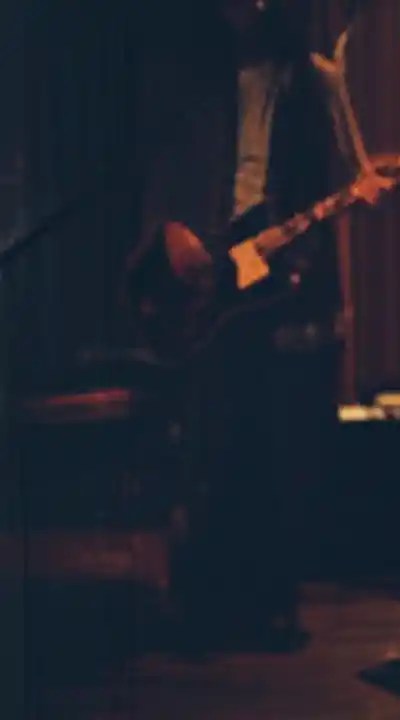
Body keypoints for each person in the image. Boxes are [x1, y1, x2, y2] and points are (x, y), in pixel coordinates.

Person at [132, 0, 386, 650]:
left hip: (279, 285)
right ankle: (204, 602)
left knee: (277, 450)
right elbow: (160, 169)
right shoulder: (193, 78)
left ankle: (272, 605)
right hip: (208, 277)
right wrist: (169, 231)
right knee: (210, 449)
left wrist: (301, 257)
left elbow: (349, 178)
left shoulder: (315, 79)